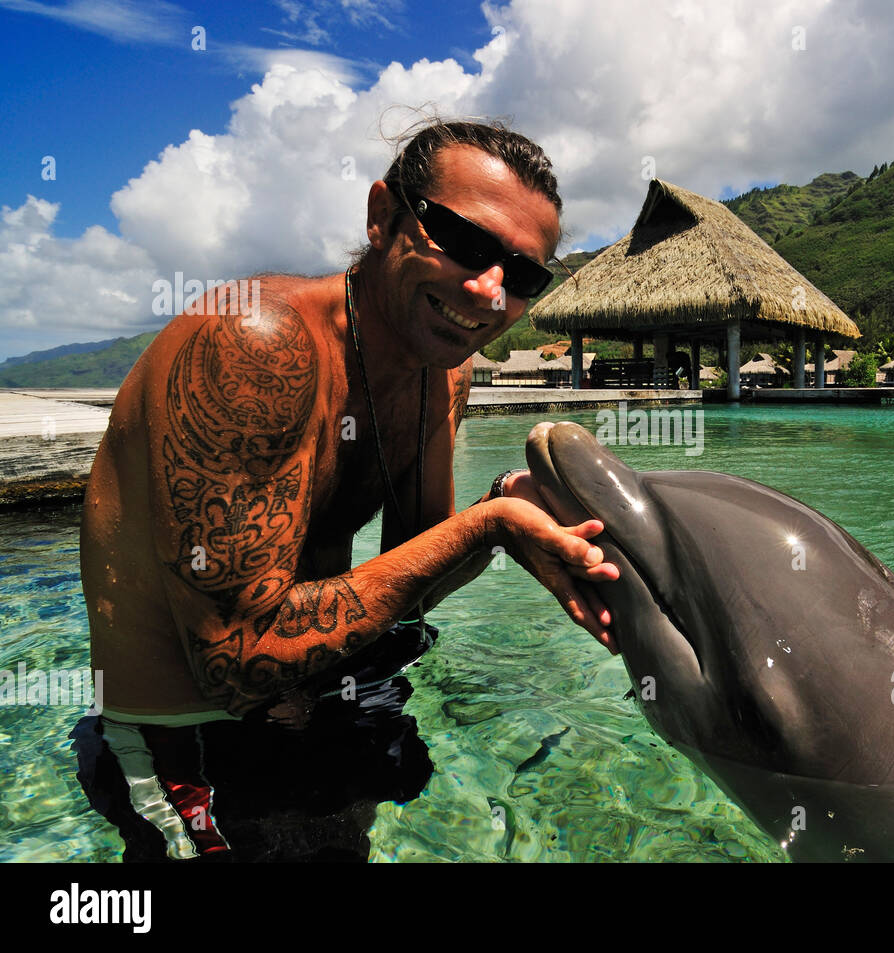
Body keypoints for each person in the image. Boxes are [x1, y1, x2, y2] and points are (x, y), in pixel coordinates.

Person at [74, 119, 619, 860]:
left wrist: (508, 507)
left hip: (328, 692)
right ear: (382, 216)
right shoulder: (255, 348)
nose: (489, 290)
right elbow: (237, 662)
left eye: (522, 276)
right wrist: (487, 526)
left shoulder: (441, 370)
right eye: (464, 241)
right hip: (189, 735)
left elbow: (413, 586)